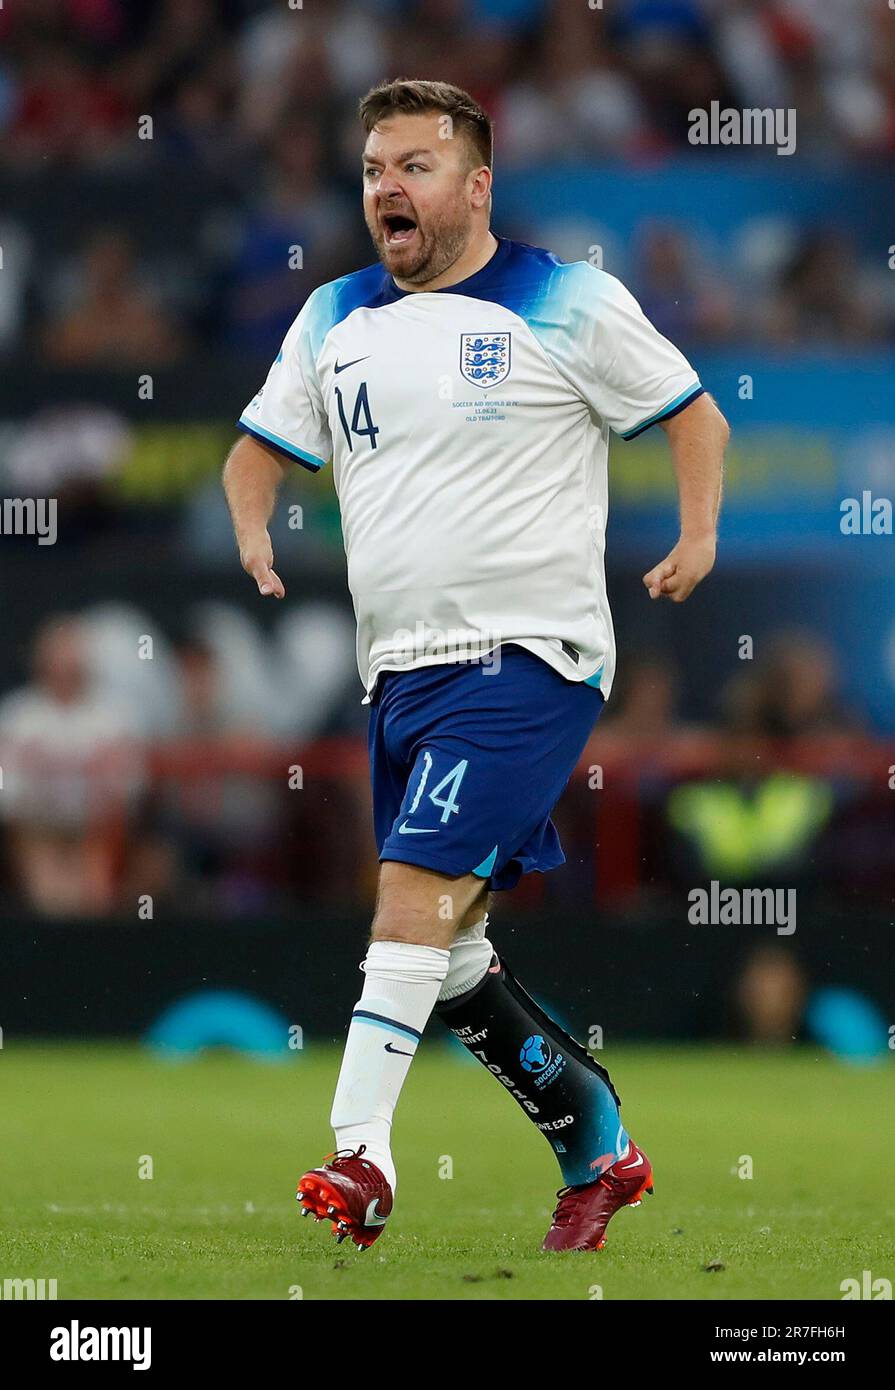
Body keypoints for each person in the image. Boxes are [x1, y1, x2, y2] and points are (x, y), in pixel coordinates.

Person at [223, 79, 728, 1254]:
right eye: (371, 170)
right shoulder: (333, 314)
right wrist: (255, 522)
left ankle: (361, 1155)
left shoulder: (566, 299)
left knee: (407, 897)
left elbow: (692, 415)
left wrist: (696, 534)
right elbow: (257, 448)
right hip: (395, 673)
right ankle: (593, 1135)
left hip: (526, 658)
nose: (386, 189)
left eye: (413, 165)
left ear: (476, 185)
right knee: (445, 953)